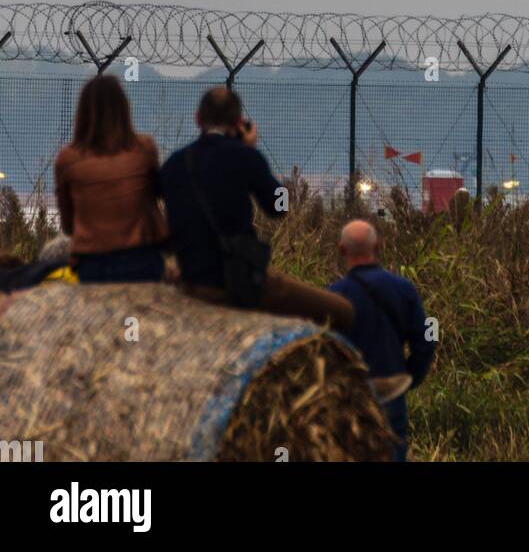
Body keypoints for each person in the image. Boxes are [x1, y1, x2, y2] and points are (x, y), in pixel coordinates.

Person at [159, 86, 353, 328]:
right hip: (241, 279)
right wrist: (275, 177)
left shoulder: (175, 163)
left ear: (198, 119)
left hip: (191, 277)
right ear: (240, 121)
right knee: (343, 312)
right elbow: (279, 208)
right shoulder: (246, 157)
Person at [329, 220, 436, 461]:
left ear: (342, 249)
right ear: (378, 246)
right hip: (391, 388)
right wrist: (410, 377)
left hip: (350, 394)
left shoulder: (334, 295)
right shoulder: (403, 289)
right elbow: (426, 339)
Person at [54, 75, 167, 283]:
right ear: (124, 109)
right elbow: (157, 194)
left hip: (92, 262)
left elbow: (68, 225)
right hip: (140, 258)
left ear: (82, 113)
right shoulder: (144, 150)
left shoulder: (67, 159)